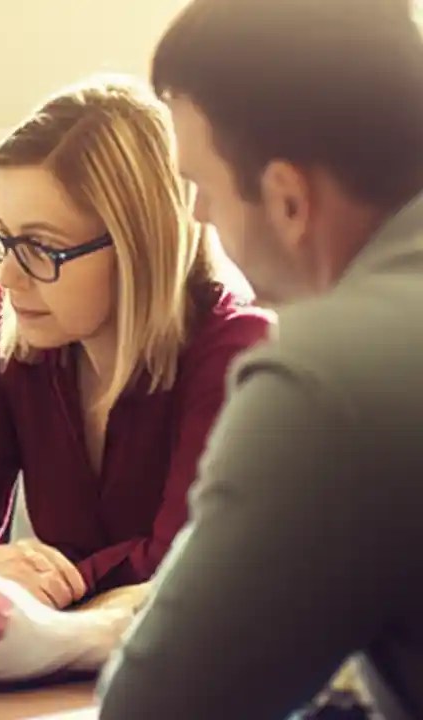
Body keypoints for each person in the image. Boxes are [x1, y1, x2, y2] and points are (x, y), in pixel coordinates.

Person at [93, 1, 423, 717]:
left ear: (288, 201)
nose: (199, 216)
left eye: (202, 188)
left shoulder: (330, 376)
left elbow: (162, 708)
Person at [0, 77, 273, 606]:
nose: (9, 277)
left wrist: (39, 588)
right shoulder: (6, 322)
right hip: (59, 650)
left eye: (42, 246)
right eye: (2, 236)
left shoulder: (237, 351)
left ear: (137, 249)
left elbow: (183, 566)